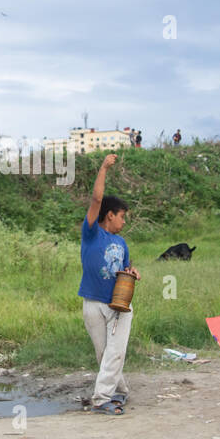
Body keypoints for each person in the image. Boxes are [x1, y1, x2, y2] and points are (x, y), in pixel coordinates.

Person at [79, 154, 140, 415]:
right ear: (109, 215)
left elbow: (124, 271)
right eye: (122, 216)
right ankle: (120, 391)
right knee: (105, 353)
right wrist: (104, 167)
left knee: (114, 352)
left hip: (118, 305)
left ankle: (101, 398)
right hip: (92, 302)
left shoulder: (122, 243)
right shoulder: (91, 233)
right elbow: (96, 199)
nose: (124, 221)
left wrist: (132, 272)